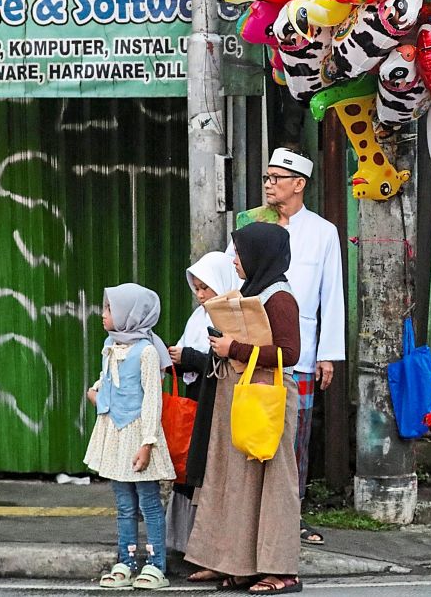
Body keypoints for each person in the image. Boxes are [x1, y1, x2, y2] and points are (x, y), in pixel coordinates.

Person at [233, 147, 345, 547]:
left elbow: (331, 294)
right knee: (252, 434)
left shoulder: (322, 232)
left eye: (277, 178)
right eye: (266, 177)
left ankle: (291, 515)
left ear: (299, 185)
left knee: (294, 441)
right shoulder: (249, 224)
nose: (268, 184)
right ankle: (251, 516)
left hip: (301, 352)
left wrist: (328, 354)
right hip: (254, 352)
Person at [186, 223, 303, 594]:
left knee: (274, 483)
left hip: (269, 397)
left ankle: (282, 571)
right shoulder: (254, 291)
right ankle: (241, 564)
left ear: (259, 256)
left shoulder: (279, 297)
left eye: (239, 253)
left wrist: (233, 348)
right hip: (248, 393)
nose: (234, 260)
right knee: (241, 482)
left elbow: (289, 353)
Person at [84, 284, 174, 590]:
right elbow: (108, 379)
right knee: (123, 503)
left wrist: (148, 442)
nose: (103, 314)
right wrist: (97, 391)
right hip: (115, 432)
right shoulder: (110, 345)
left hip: (138, 433)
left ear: (128, 314)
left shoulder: (146, 352)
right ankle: (126, 560)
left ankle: (156, 564)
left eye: (109, 309)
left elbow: (152, 399)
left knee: (148, 501)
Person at [166, 251, 240, 570]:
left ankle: (206, 545)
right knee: (189, 468)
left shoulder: (230, 316)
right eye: (196, 288)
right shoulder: (197, 318)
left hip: (217, 402)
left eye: (205, 288)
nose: (199, 295)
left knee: (206, 469)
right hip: (197, 398)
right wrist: (177, 362)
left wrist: (190, 358)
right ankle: (185, 542)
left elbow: (226, 362)